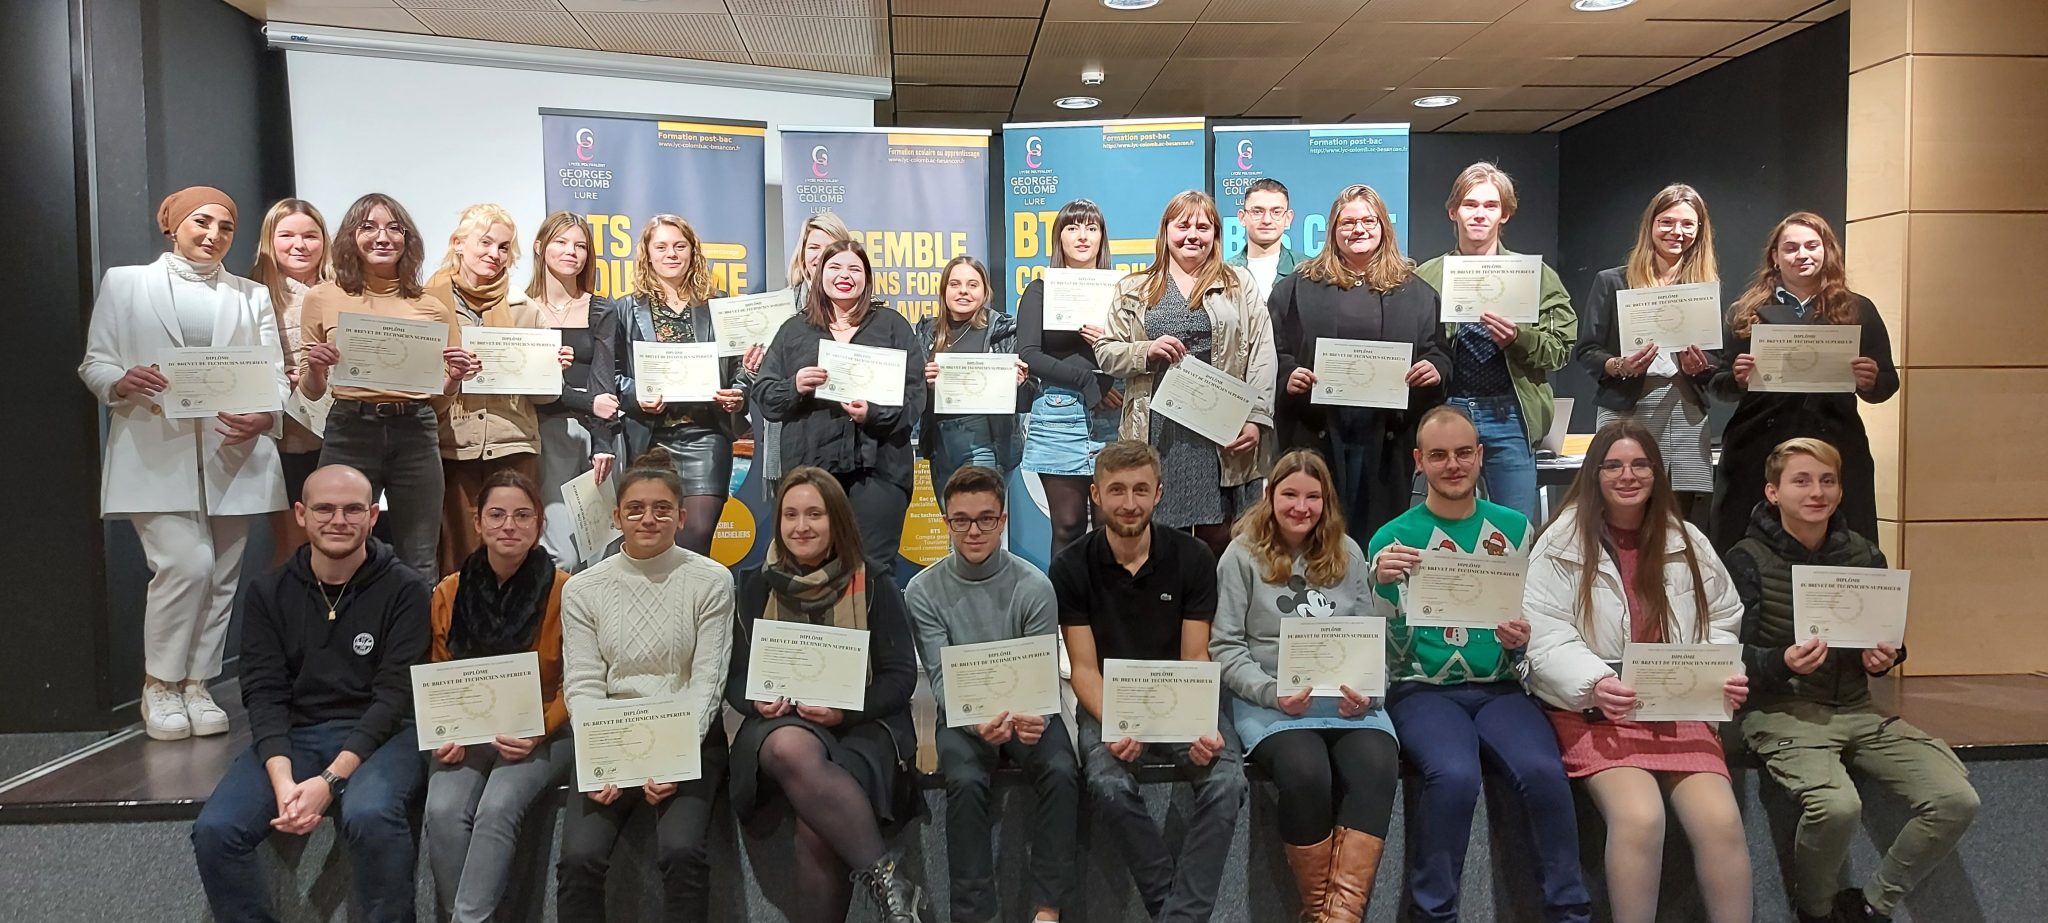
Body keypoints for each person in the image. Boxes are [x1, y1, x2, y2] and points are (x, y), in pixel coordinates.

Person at [1727, 438, 1977, 923]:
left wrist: (1885, 658)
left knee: (1956, 798)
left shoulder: (1863, 553)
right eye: (1801, 480)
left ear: (1840, 490)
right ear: (1773, 492)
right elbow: (1726, 653)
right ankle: (1816, 912)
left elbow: (1890, 641)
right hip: (1783, 711)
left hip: (1859, 709)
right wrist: (1782, 661)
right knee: (1837, 808)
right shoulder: (1745, 559)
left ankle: (1869, 907)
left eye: (1828, 481)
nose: (1817, 492)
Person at [79, 185, 288, 740]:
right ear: (173, 224)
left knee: (221, 576)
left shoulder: (251, 296)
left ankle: (198, 684)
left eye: (225, 226)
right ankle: (160, 684)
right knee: (185, 564)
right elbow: (96, 362)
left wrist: (267, 416)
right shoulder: (126, 284)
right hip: (154, 448)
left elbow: (274, 374)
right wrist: (121, 382)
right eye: (202, 221)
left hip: (234, 448)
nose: (213, 234)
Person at [1366, 406, 1591, 923]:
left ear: (1480, 456)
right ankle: (1433, 914)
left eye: (1463, 453)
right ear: (1419, 462)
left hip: (1501, 687)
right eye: (1439, 455)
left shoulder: (1514, 529)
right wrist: (1382, 588)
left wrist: (1521, 640)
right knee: (1455, 774)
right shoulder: (1390, 540)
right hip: (1422, 691)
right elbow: (1389, 656)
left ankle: (1569, 912)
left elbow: (1532, 623)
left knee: (1543, 770)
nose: (1453, 465)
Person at [1523, 421, 1753, 923]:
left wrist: (1720, 677)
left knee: (1721, 822)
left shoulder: (1688, 541)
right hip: (1597, 712)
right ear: (1594, 473)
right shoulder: (1559, 542)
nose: (1628, 475)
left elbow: (1723, 618)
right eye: (1613, 465)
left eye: (1640, 464)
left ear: (1657, 471)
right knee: (1640, 817)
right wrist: (1595, 684)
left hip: (1678, 711)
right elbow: (1545, 636)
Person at [191, 465, 429, 923]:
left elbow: (394, 696)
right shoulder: (267, 592)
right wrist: (283, 782)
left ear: (373, 516)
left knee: (370, 813)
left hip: (385, 735)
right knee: (217, 830)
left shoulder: (405, 589)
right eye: (324, 508)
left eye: (352, 509)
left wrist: (330, 781)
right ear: (300, 514)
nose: (338, 519)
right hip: (298, 735)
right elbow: (263, 694)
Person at [1052, 440, 1247, 923]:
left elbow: (1195, 655)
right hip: (1108, 704)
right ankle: (1173, 909)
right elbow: (1083, 668)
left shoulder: (1194, 557)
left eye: (1141, 489)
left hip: (1182, 696)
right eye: (1116, 490)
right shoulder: (1070, 567)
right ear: (1095, 494)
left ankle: (1179, 916)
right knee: (1106, 782)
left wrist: (1201, 723)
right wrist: (1117, 723)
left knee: (1227, 779)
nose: (1129, 503)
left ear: (1160, 493)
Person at [726, 467, 930, 923]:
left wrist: (845, 711)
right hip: (779, 724)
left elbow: (899, 679)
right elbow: (736, 678)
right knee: (788, 743)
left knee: (816, 827)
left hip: (863, 725)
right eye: (791, 515)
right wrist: (755, 702)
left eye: (815, 514)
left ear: (836, 520)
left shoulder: (875, 581)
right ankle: (890, 883)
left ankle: (890, 890)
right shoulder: (754, 585)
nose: (802, 527)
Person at [1210, 450, 1399, 922]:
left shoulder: (1349, 552)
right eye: (1289, 494)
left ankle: (1339, 916)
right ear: (1270, 495)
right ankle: (1318, 909)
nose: (1301, 507)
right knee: (1305, 770)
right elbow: (1226, 647)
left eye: (1312, 496)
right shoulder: (1240, 555)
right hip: (1274, 700)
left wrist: (1370, 692)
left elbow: (1372, 639)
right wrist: (1273, 694)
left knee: (1378, 764)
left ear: (1326, 500)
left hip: (1347, 700)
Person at [557, 446, 736, 922]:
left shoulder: (712, 580)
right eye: (635, 508)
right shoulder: (581, 589)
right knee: (579, 858)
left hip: (689, 739)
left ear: (681, 515)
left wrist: (671, 757)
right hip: (609, 738)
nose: (648, 519)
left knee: (680, 851)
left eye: (662, 509)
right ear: (616, 516)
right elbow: (582, 682)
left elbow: (707, 682)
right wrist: (601, 757)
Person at [905, 465, 1079, 923]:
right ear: (946, 522)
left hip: (1030, 711)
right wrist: (974, 721)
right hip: (963, 716)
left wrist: (1034, 714)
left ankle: (1048, 908)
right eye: (960, 520)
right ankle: (973, 914)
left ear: (1003, 521)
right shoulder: (923, 591)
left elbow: (1042, 675)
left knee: (1062, 770)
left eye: (986, 518)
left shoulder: (1035, 586)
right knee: (962, 780)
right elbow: (940, 679)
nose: (974, 530)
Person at [422, 468, 571, 922]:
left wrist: (539, 730)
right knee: (443, 809)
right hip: (469, 733)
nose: (510, 526)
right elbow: (438, 669)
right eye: (498, 514)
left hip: (545, 730)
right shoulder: (448, 591)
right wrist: (442, 732)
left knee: (498, 807)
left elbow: (580, 681)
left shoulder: (567, 591)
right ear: (479, 522)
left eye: (523, 515)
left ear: (540, 525)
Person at [1095, 190, 1277, 558]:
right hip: (1157, 430)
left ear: (1216, 235)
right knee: (1160, 542)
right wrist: (1144, 350)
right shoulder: (1134, 287)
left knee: (1222, 541)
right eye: (1183, 226)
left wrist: (1256, 417)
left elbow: (1262, 353)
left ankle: (1216, 616)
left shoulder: (1238, 283)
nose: (1192, 234)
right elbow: (1105, 351)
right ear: (1165, 232)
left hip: (1222, 433)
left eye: (1203, 226)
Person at [300, 192, 473, 576]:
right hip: (349, 427)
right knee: (336, 546)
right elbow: (312, 391)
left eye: (395, 228)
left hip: (416, 429)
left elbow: (441, 400)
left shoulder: (431, 306)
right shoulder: (323, 297)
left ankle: (413, 637)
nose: (383, 237)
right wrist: (314, 367)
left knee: (420, 556)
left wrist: (454, 378)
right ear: (350, 236)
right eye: (369, 227)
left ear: (408, 239)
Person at [1269, 183, 1452, 542]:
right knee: (1317, 532)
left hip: (1386, 436)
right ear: (1333, 231)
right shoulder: (1296, 288)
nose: (1358, 229)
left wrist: (1435, 368)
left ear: (1384, 227)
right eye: (1347, 222)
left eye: (1368, 221)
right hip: (1319, 430)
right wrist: (1288, 375)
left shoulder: (1415, 291)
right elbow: (1274, 351)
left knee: (1379, 535)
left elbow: (1438, 351)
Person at [1710, 212, 1898, 551]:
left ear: (1827, 251)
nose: (1802, 255)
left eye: (1812, 246)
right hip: (1756, 447)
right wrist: (1737, 378)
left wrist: (1869, 380)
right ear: (1775, 257)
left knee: (1843, 551)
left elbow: (1888, 382)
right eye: (1791, 248)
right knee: (1743, 548)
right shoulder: (1744, 312)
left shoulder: (1858, 310)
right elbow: (1718, 384)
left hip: (1836, 442)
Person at [1413, 162, 1576, 524]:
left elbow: (1562, 347)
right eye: (1470, 205)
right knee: (1444, 528)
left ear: (1505, 214)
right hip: (1447, 411)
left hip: (1510, 415)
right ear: (1453, 211)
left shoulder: (1535, 276)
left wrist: (1520, 338)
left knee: (1513, 531)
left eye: (1490, 206)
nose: (1479, 215)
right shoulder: (1424, 276)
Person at [751, 240, 925, 576]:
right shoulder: (794, 330)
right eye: (835, 267)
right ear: (819, 275)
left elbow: (915, 394)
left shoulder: (892, 326)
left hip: (880, 471)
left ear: (866, 278)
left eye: (854, 269)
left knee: (873, 570)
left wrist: (872, 414)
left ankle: (874, 631)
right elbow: (766, 394)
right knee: (808, 569)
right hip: (809, 470)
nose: (844, 275)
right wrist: (795, 385)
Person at [430, 204, 574, 577]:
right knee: (459, 560)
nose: (495, 255)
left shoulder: (525, 309)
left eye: (504, 247)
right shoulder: (426, 305)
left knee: (518, 556)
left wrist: (549, 370)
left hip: (513, 443)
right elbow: (419, 389)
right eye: (486, 243)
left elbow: (544, 398)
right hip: (453, 445)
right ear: (458, 244)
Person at [1574, 184, 1722, 518]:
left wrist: (1700, 365)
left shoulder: (1703, 287)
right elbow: (1587, 350)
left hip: (1685, 412)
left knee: (1683, 514)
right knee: (1620, 507)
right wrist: (1619, 364)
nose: (1677, 232)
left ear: (1700, 231)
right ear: (1651, 226)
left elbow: (1717, 358)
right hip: (1627, 407)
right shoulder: (1613, 281)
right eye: (1667, 222)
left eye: (1688, 224)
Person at [614, 214, 753, 554]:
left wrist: (738, 394)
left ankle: (694, 607)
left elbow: (741, 369)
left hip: (705, 436)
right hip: (648, 438)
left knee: (697, 536)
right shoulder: (626, 309)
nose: (671, 254)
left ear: (693, 251)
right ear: (647, 253)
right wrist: (638, 396)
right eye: (660, 246)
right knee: (652, 541)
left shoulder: (718, 304)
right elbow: (613, 376)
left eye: (680, 246)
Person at [1015, 198, 1124, 558]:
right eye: (1072, 227)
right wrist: (1088, 380)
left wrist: (1106, 376)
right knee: (1068, 524)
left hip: (1113, 415)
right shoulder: (1040, 289)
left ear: (1102, 238)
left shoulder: (1123, 291)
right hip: (1059, 414)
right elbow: (1030, 354)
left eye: (1091, 228)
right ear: (1058, 237)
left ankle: (1111, 612)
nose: (1082, 236)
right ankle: (1068, 614)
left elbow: (1135, 347)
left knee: (1115, 525)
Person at [527, 210, 623, 571]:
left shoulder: (600, 308)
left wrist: (602, 443)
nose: (572, 252)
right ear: (540, 248)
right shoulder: (519, 309)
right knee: (557, 553)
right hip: (538, 435)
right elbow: (521, 383)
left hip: (590, 435)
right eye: (562, 242)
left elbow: (603, 381)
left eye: (580, 245)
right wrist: (584, 400)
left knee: (598, 549)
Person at [250, 197, 336, 567]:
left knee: (341, 544)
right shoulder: (251, 294)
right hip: (287, 435)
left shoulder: (344, 292)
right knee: (294, 548)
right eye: (286, 235)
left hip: (341, 430)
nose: (299, 246)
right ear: (270, 241)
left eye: (310, 236)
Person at [915, 256, 1026, 506]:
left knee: (979, 521)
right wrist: (923, 381)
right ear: (944, 290)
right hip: (939, 442)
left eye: (972, 284)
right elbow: (911, 394)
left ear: (986, 291)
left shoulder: (1003, 331)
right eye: (955, 284)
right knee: (953, 524)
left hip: (986, 438)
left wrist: (1020, 382)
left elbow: (1027, 396)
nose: (963, 290)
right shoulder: (927, 332)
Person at [761, 212, 858, 495]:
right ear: (802, 255)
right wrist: (754, 368)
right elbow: (766, 384)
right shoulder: (778, 308)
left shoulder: (865, 311)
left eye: (830, 247)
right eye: (813, 247)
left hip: (849, 443)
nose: (821, 255)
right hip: (794, 442)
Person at [1225, 177, 1301, 305]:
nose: (1266, 220)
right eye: (1257, 211)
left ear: (1288, 218)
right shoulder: (1225, 273)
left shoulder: (1307, 270)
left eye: (1276, 212)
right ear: (1242, 217)